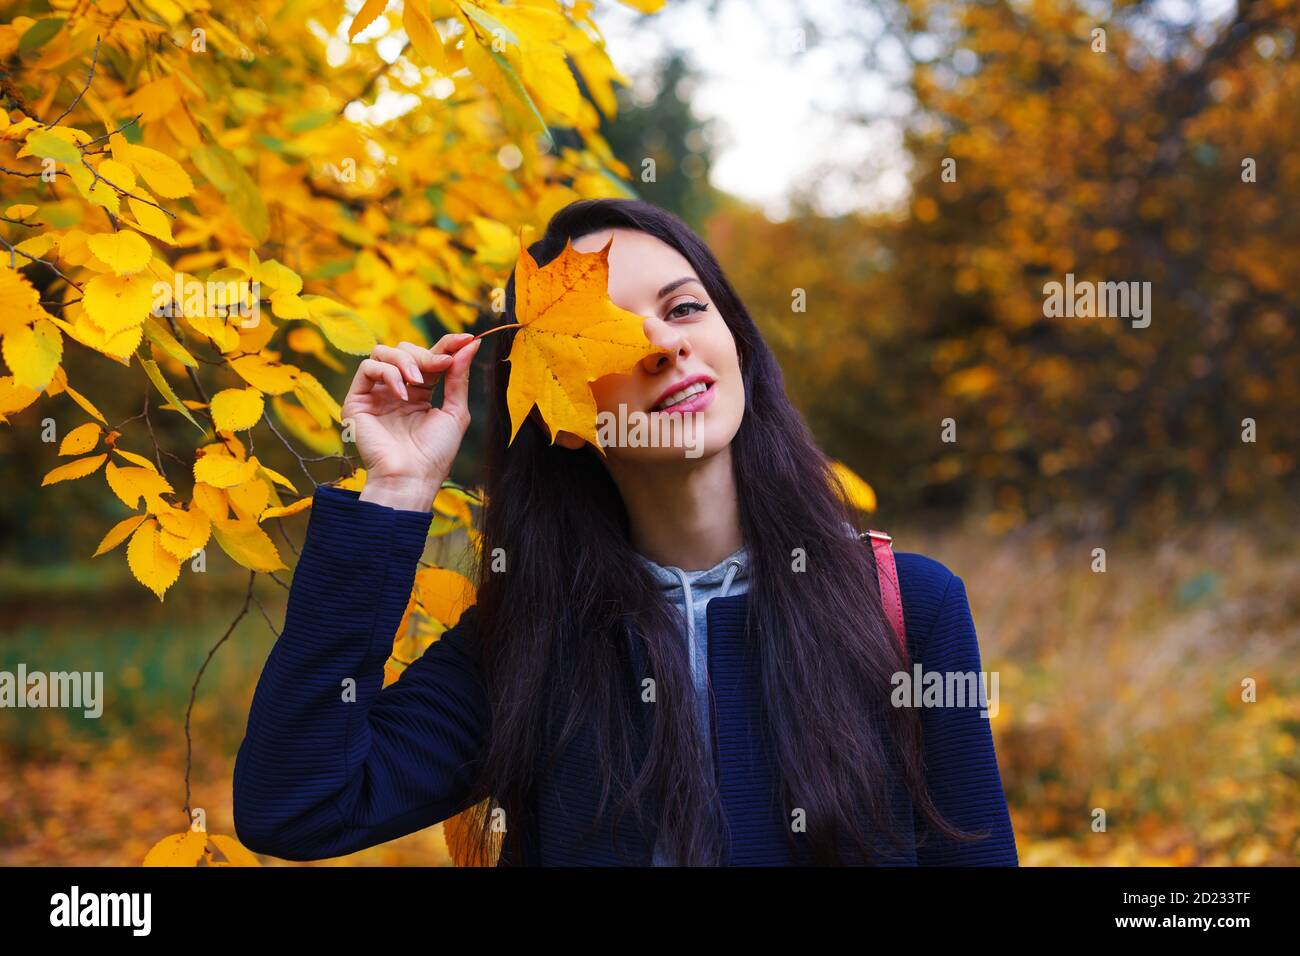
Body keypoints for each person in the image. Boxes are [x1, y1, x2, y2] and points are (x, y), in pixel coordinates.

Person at [233, 198, 1019, 867]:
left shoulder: (905, 609)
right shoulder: (525, 645)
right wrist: (395, 493)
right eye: (608, 332)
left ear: (734, 342)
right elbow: (298, 804)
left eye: (684, 309)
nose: (662, 344)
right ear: (564, 421)